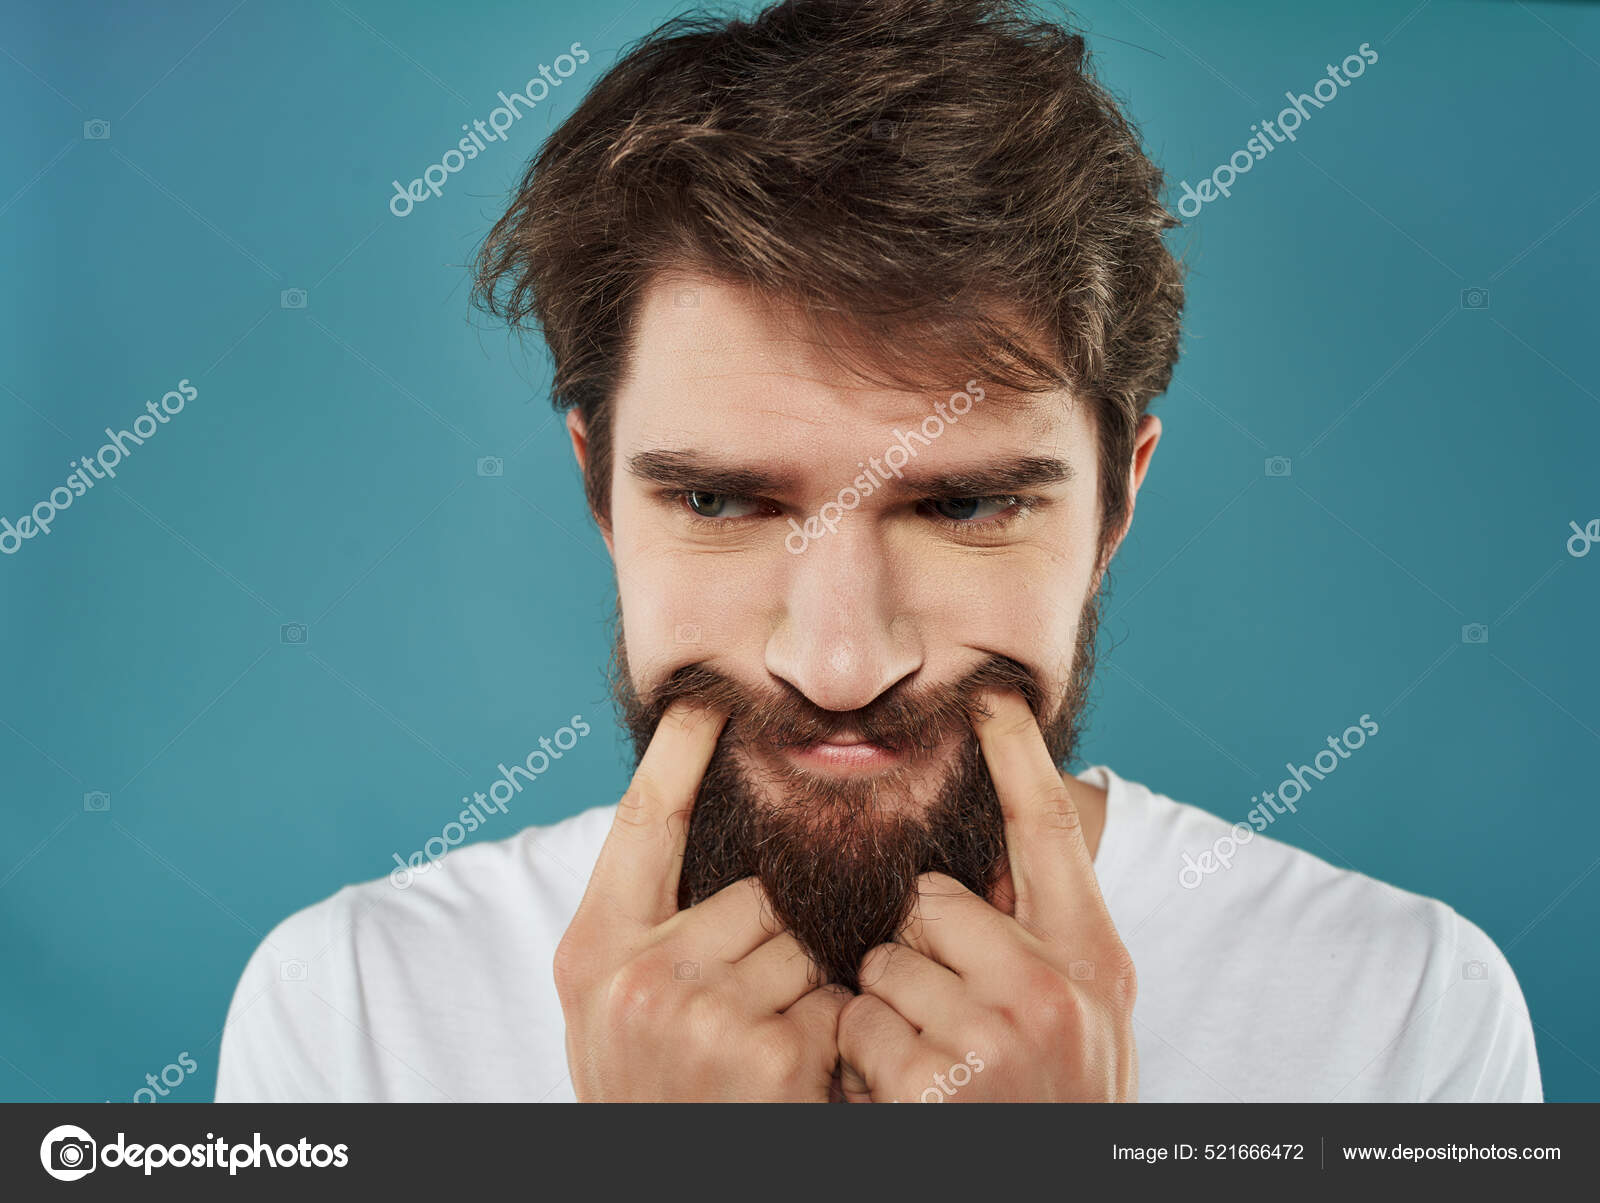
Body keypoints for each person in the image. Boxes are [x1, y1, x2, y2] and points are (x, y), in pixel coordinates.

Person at [216, 0, 1539, 1102]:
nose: (840, 662)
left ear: (1117, 505)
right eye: (724, 504)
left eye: (965, 508)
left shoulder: (1405, 1017)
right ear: (602, 495)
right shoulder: (354, 1018)